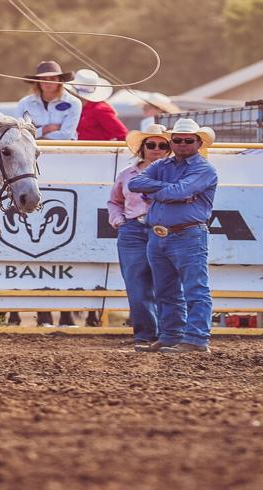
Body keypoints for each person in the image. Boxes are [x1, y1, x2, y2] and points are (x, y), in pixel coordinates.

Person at [127, 117, 217, 353]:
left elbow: (179, 190)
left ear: (198, 143)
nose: (182, 143)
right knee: (166, 289)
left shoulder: (203, 168)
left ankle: (196, 339)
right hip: (160, 235)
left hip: (186, 234)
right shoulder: (164, 166)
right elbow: (135, 184)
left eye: (188, 140)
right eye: (177, 140)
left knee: (194, 288)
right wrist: (168, 192)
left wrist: (156, 190)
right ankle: (171, 335)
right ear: (172, 141)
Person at [15, 61, 83, 325]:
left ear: (60, 80)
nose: (48, 82)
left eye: (53, 78)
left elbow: (67, 135)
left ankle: (62, 308)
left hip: (63, 162)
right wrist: (48, 131)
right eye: (44, 78)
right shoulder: (25, 103)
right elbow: (23, 133)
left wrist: (39, 133)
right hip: (30, 164)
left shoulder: (74, 103)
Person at [109, 123, 167, 349]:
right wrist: (119, 221)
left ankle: (167, 332)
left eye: (162, 145)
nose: (156, 149)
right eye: (151, 144)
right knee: (136, 283)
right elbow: (114, 202)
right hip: (133, 229)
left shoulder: (172, 172)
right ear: (142, 148)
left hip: (163, 228)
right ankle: (145, 334)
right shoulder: (126, 174)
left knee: (167, 281)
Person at [72, 70, 128, 141]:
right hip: (80, 149)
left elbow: (122, 134)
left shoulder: (99, 109)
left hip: (95, 150)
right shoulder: (77, 107)